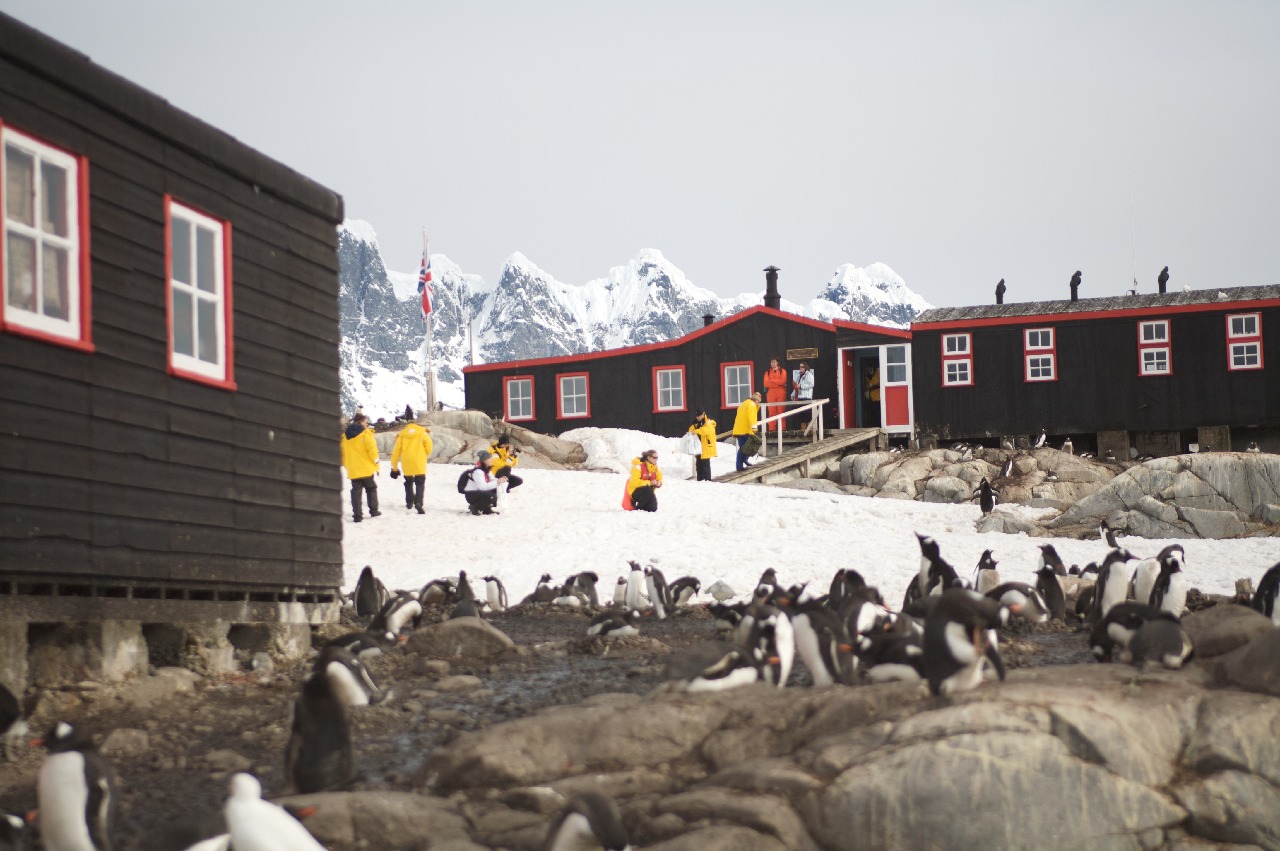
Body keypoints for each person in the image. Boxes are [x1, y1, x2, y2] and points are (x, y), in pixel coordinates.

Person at [341, 412, 381, 522]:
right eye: (365, 421)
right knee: (371, 488)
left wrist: (348, 465)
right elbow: (372, 451)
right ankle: (373, 511)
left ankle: (357, 515)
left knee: (356, 491)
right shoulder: (366, 434)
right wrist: (376, 464)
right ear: (361, 422)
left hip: (353, 469)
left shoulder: (345, 436)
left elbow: (342, 454)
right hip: (366, 468)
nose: (367, 423)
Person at [389, 413, 432, 514]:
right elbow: (429, 446)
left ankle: (409, 502)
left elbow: (395, 452)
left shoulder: (402, 435)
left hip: (406, 461)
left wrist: (394, 468)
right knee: (420, 483)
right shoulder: (422, 433)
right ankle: (418, 503)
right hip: (419, 461)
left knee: (408, 482)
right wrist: (424, 454)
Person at [463, 450, 506, 515]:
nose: (492, 460)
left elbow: (492, 480)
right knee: (491, 496)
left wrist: (500, 480)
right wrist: (497, 482)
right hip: (471, 494)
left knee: (495, 489)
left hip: (478, 492)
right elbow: (482, 487)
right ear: (484, 460)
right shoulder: (478, 471)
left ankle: (487, 509)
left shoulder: (486, 470)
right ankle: (475, 507)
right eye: (490, 458)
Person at [732, 391, 762, 471]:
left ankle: (743, 462)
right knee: (747, 447)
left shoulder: (744, 404)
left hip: (739, 430)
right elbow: (752, 418)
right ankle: (740, 465)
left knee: (744, 447)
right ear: (757, 400)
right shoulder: (751, 405)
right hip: (745, 430)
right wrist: (754, 429)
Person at [688, 410, 718, 481]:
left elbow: (706, 430)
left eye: (699, 415)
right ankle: (700, 480)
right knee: (699, 465)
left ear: (703, 414)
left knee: (705, 465)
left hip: (706, 447)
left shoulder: (709, 421)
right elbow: (691, 429)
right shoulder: (696, 423)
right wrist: (691, 432)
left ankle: (707, 481)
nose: (698, 417)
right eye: (697, 416)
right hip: (698, 447)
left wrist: (696, 431)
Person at [762, 358, 788, 436]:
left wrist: (772, 380)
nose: (772, 363)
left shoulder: (783, 371)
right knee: (771, 411)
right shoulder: (767, 372)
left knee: (781, 410)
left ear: (777, 363)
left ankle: (783, 429)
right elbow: (766, 383)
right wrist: (777, 383)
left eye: (774, 362)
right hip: (771, 393)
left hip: (781, 392)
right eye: (771, 362)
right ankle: (772, 429)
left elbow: (783, 381)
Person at [792, 362, 815, 432]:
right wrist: (793, 395)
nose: (800, 368)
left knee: (808, 414)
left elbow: (811, 384)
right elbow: (796, 386)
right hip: (800, 397)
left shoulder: (809, 374)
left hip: (807, 396)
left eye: (802, 367)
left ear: (805, 367)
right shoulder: (799, 376)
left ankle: (810, 429)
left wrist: (801, 386)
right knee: (801, 414)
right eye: (800, 367)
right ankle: (803, 430)